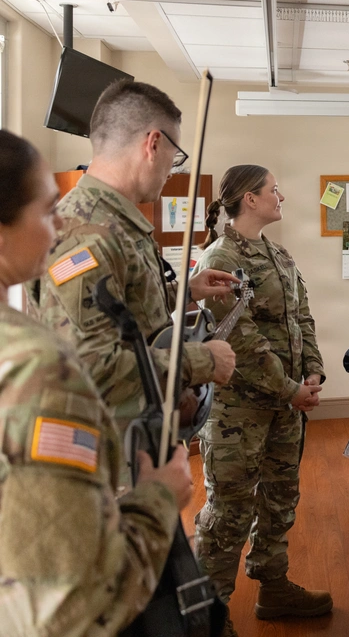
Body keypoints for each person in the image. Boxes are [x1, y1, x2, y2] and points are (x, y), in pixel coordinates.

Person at [0, 129, 194, 633]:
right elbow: (77, 608)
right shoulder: (38, 370)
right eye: (45, 211)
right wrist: (159, 497)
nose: (61, 222)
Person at [29, 80, 237, 428]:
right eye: (176, 157)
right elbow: (90, 367)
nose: (173, 170)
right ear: (154, 144)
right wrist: (201, 360)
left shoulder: (115, 220)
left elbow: (124, 311)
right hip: (110, 447)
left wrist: (185, 290)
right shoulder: (86, 234)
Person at [193, 164, 329, 634]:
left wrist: (312, 372)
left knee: (279, 500)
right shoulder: (220, 256)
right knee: (228, 513)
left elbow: (302, 318)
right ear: (249, 199)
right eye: (274, 190)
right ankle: (209, 616)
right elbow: (245, 343)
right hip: (240, 411)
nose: (281, 196)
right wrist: (291, 389)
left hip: (286, 407)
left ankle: (273, 587)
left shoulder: (279, 255)